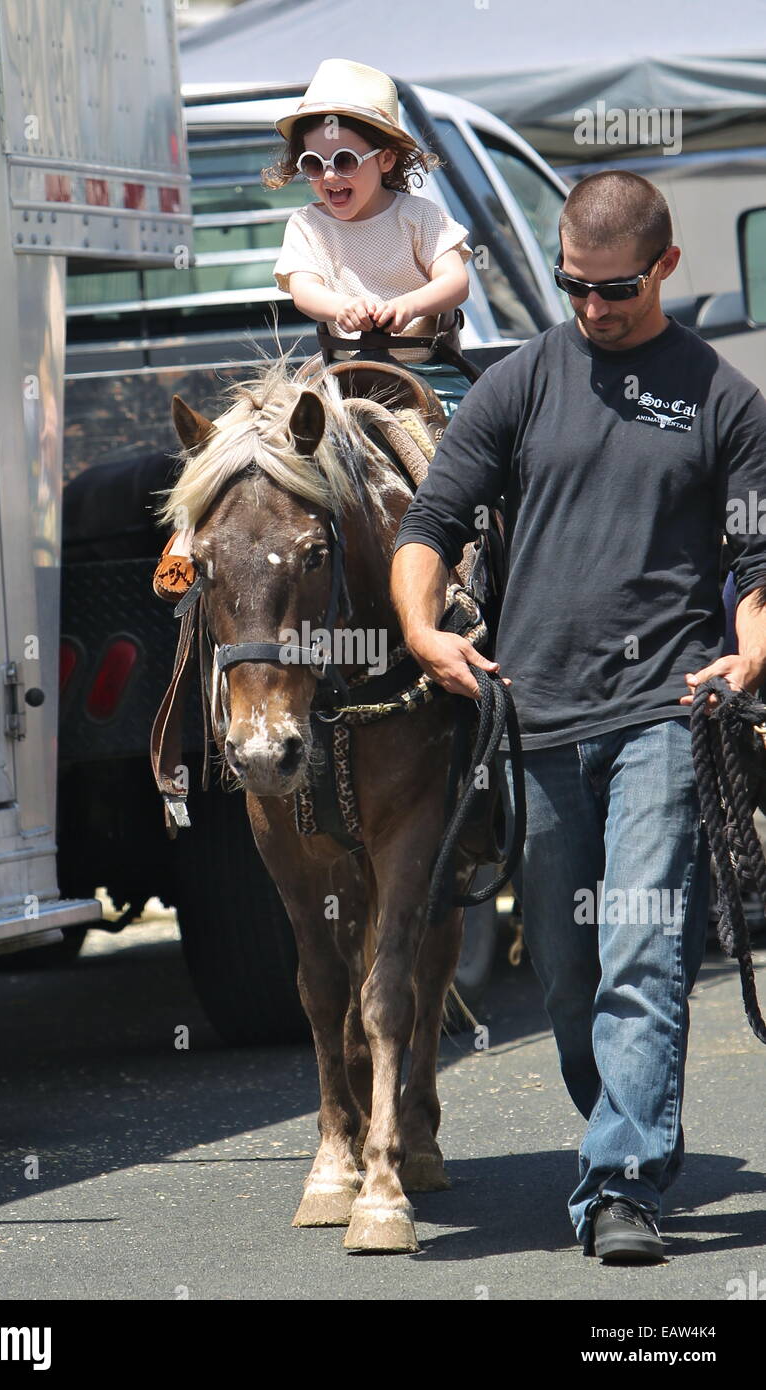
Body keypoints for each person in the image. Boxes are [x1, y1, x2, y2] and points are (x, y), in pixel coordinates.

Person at [390, 170, 766, 1263]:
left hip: (666, 709)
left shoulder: (723, 401)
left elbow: (755, 564)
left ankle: (619, 1185)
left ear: (663, 269)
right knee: (563, 968)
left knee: (640, 952)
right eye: (571, 288)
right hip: (536, 718)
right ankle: (630, 1123)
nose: (591, 309)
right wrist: (420, 632)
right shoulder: (518, 383)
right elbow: (428, 520)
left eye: (611, 290)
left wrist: (748, 656)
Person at [264, 58, 474, 413]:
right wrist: (341, 307)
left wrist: (410, 305)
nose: (329, 178)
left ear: (386, 159)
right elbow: (303, 290)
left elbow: (455, 281)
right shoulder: (306, 224)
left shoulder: (419, 215)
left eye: (345, 161)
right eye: (314, 164)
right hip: (342, 378)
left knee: (467, 437)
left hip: (430, 372)